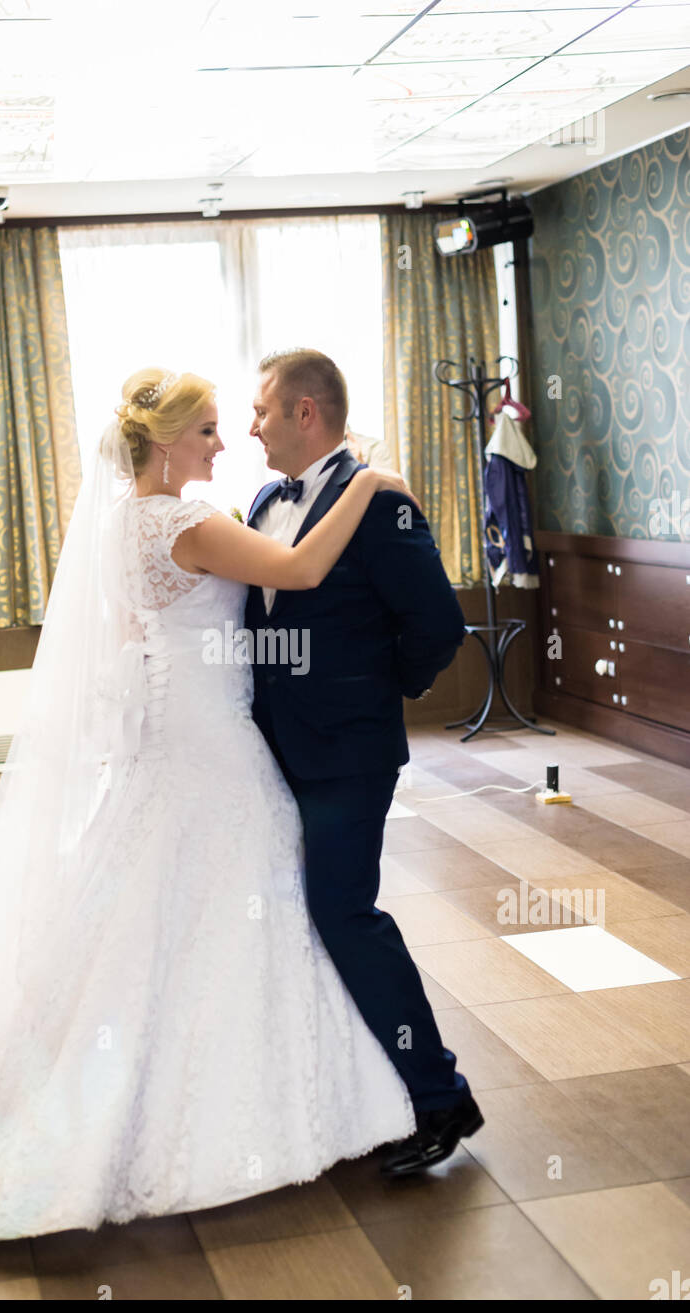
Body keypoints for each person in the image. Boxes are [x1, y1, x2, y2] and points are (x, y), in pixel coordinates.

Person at [0, 368, 419, 1251]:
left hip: (178, 738)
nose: (224, 442)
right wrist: (365, 478)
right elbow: (299, 566)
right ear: (167, 442)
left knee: (155, 918)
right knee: (248, 903)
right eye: (208, 430)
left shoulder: (123, 525)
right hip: (212, 748)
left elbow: (143, 640)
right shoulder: (184, 521)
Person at [245, 350, 483, 1178]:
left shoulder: (383, 507)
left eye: (262, 412)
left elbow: (440, 626)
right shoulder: (263, 501)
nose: (251, 428)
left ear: (306, 414)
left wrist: (373, 693)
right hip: (267, 746)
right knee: (296, 914)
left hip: (348, 751)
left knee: (345, 913)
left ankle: (439, 1095)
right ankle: (352, 1097)